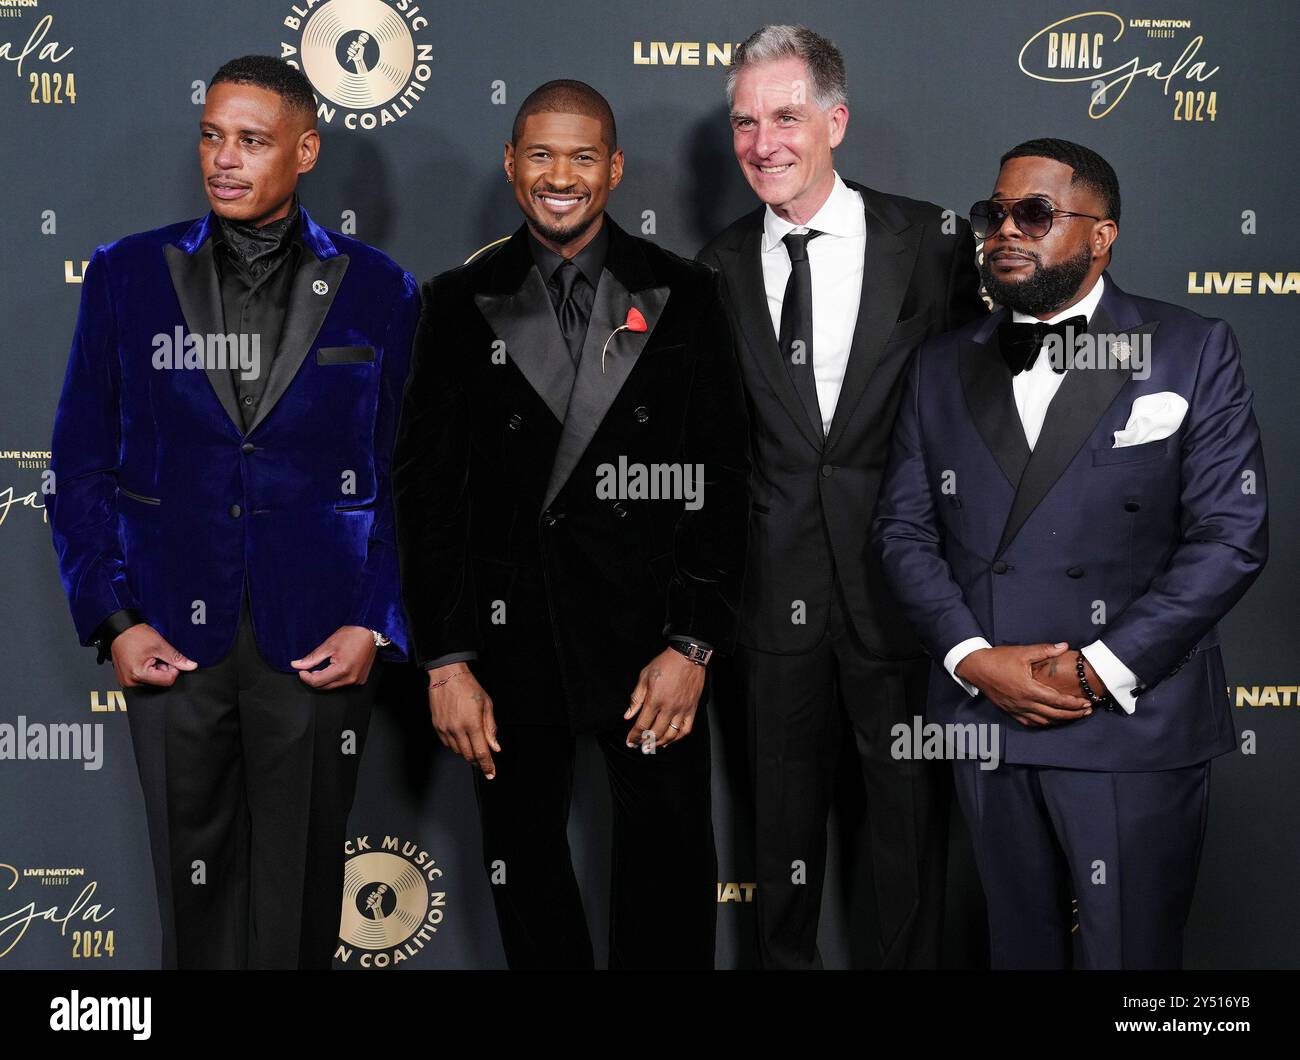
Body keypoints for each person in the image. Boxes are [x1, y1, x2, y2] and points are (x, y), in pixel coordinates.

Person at [47, 56, 418, 969]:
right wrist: (115, 618)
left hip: (320, 637)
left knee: (299, 907)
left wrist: (375, 620)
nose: (224, 159)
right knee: (194, 896)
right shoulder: (125, 274)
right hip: (170, 634)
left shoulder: (382, 288)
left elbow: (405, 474)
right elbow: (79, 460)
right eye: (213, 136)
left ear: (305, 150)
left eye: (251, 141)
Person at [872, 138, 1268, 968]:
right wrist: (975, 659)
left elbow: (1231, 537)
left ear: (1101, 235)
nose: (1005, 232)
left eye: (1036, 214)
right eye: (995, 214)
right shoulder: (941, 365)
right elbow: (903, 532)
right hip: (989, 718)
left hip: (1130, 720)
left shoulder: (1191, 347)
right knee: (1020, 953)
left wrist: (1096, 670)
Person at [392, 80, 750, 969]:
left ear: (615, 168)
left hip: (651, 646)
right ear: (512, 164)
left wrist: (692, 643)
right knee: (527, 875)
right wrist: (446, 659)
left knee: (668, 876)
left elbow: (720, 480)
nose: (562, 176)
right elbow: (428, 493)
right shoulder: (454, 299)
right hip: (510, 643)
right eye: (541, 154)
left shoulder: (687, 293)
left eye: (583, 156)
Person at [696, 24, 986, 969]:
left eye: (785, 116)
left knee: (909, 850)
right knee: (779, 853)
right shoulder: (716, 266)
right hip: (769, 609)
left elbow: (985, 411)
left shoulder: (934, 242)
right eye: (744, 122)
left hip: (904, 600)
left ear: (836, 121)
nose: (762, 143)